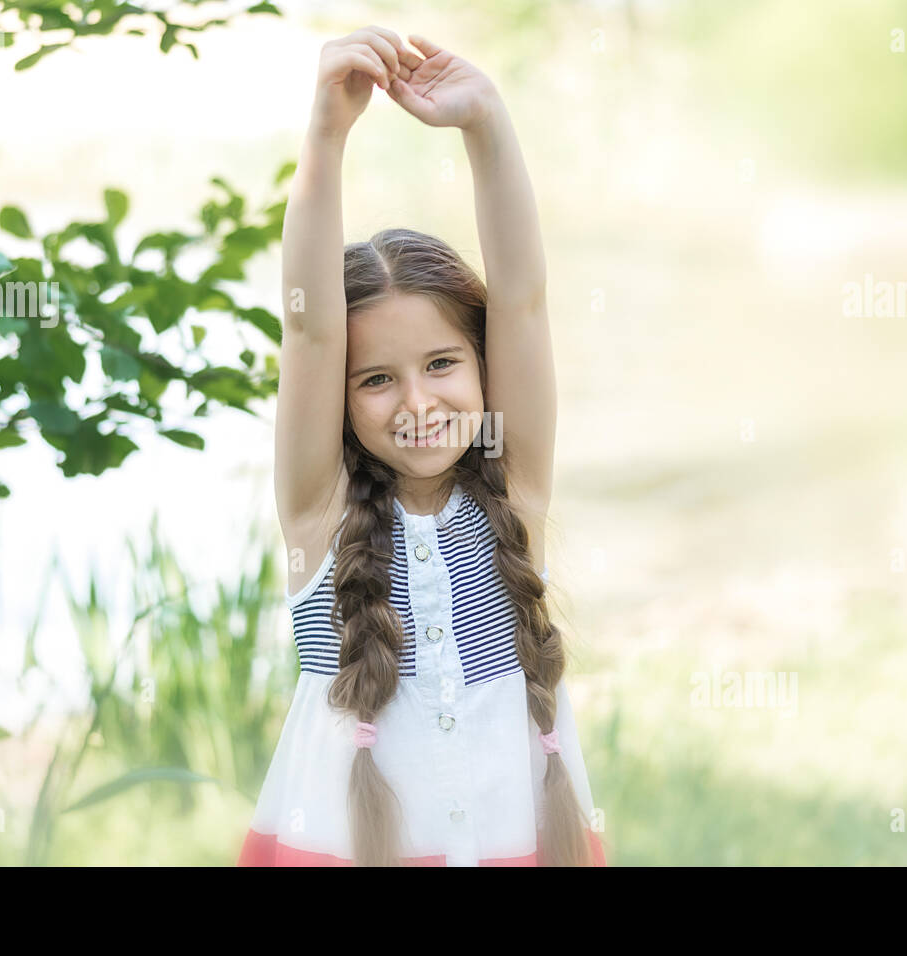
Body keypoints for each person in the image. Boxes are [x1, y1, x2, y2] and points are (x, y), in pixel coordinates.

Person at [237, 25, 606, 866]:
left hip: (518, 838)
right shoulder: (318, 516)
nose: (418, 402)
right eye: (376, 380)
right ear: (340, 400)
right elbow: (308, 328)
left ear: (483, 368)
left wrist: (486, 123)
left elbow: (522, 299)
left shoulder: (513, 490)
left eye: (443, 364)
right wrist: (326, 135)